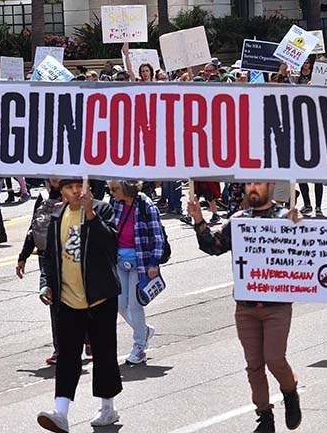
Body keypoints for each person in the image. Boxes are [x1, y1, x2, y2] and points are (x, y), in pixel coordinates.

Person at [188, 183, 303, 433]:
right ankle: (264, 416)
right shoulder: (238, 220)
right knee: (253, 364)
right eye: (249, 183)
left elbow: (307, 251)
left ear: (271, 185)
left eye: (258, 183)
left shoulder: (286, 218)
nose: (253, 188)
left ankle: (290, 391)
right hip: (246, 306)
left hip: (276, 305)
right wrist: (199, 220)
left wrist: (300, 226)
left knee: (274, 358)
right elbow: (214, 245)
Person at [37, 179, 122, 432]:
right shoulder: (57, 215)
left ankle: (108, 407)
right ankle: (60, 412)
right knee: (67, 356)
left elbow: (111, 244)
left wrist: (90, 215)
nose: (76, 190)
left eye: (79, 185)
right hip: (68, 299)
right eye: (69, 186)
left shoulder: (102, 209)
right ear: (61, 190)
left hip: (100, 297)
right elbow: (49, 257)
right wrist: (45, 283)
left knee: (104, 353)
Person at [17, 179, 72, 366]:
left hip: (72, 259)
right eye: (50, 176)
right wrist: (23, 256)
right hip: (47, 258)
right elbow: (34, 227)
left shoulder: (77, 195)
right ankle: (60, 348)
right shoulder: (43, 197)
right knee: (54, 303)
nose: (54, 179)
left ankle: (87, 338)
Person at [108, 180, 163, 365]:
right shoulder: (115, 203)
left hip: (141, 262)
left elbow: (157, 236)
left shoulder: (146, 205)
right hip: (119, 261)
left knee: (134, 304)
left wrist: (154, 263)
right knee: (119, 305)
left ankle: (139, 347)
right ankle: (144, 330)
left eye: (114, 189)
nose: (111, 192)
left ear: (126, 188)